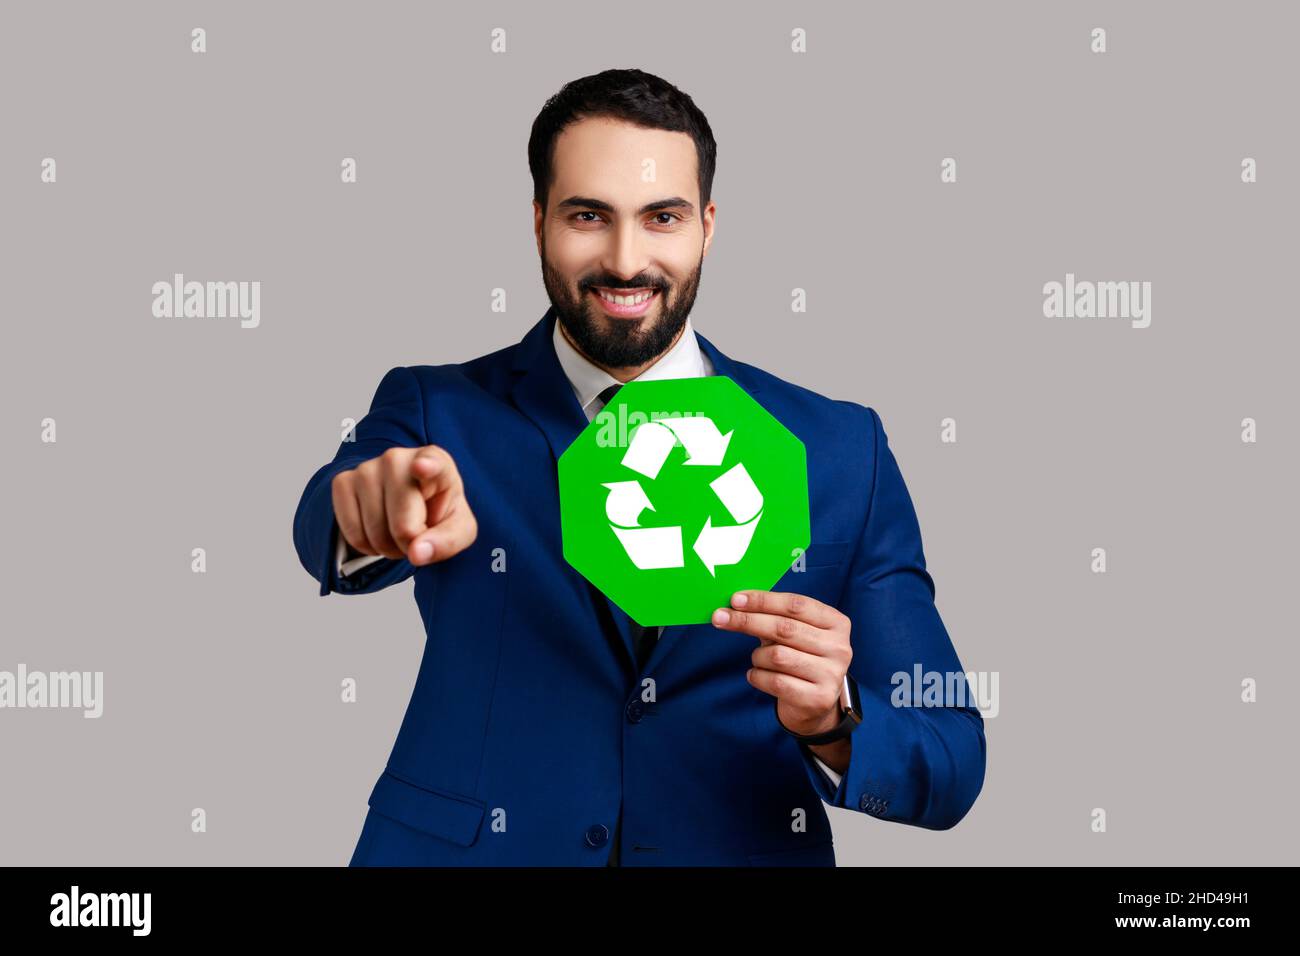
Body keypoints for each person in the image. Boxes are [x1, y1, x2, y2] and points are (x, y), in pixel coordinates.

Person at [292, 68, 985, 866]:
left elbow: (952, 759)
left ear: (708, 226)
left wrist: (837, 718)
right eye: (589, 216)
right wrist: (366, 513)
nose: (626, 260)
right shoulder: (436, 414)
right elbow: (329, 523)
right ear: (538, 222)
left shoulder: (839, 447)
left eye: (662, 218)